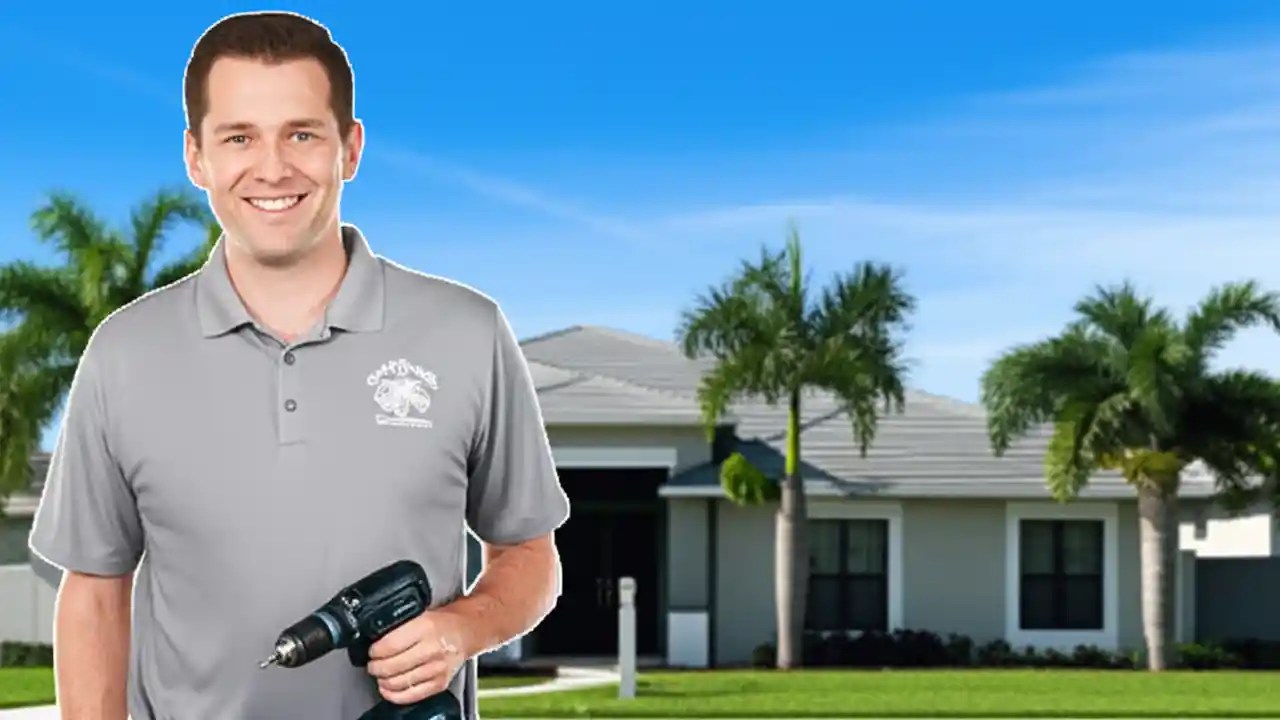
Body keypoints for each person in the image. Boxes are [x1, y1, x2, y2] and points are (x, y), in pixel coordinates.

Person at [27, 10, 569, 720]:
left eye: (302, 134)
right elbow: (94, 595)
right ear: (197, 157)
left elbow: (531, 557)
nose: (273, 168)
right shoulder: (126, 352)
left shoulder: (465, 332)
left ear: (350, 148)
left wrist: (460, 629)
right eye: (239, 137)